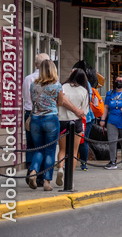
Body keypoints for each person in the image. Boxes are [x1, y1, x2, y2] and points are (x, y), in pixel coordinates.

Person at [28, 60, 84, 190]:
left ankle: (33, 172)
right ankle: (47, 182)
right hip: (51, 119)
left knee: (39, 149)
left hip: (36, 119)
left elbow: (32, 101)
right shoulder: (57, 85)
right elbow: (60, 102)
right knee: (50, 150)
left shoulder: (33, 85)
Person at [55, 68, 90, 187]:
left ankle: (60, 168)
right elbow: (84, 111)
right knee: (74, 152)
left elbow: (58, 102)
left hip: (62, 121)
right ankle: (70, 177)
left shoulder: (62, 87)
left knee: (62, 150)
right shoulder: (84, 91)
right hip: (76, 122)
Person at [22, 52, 50, 173]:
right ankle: (42, 172)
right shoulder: (51, 79)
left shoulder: (28, 79)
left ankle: (30, 168)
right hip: (46, 114)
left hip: (30, 113)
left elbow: (26, 97)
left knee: (31, 144)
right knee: (45, 145)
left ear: (35, 64)